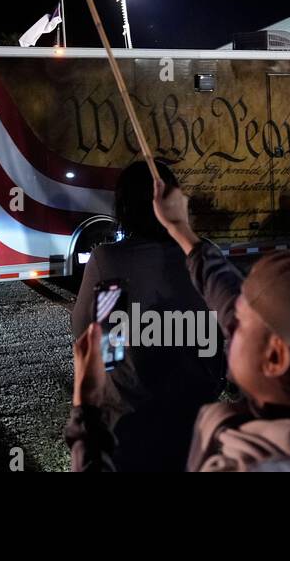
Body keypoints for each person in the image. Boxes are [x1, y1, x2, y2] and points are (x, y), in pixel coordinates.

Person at [66, 173, 290, 472]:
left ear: (275, 358)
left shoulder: (254, 459)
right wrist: (184, 234)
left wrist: (86, 410)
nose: (230, 320)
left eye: (242, 321)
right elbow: (225, 293)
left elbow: (93, 334)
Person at [69, 161, 226, 471]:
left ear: (123, 206)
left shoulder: (107, 259)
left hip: (128, 429)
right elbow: (227, 326)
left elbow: (85, 334)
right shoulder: (205, 255)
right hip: (197, 425)